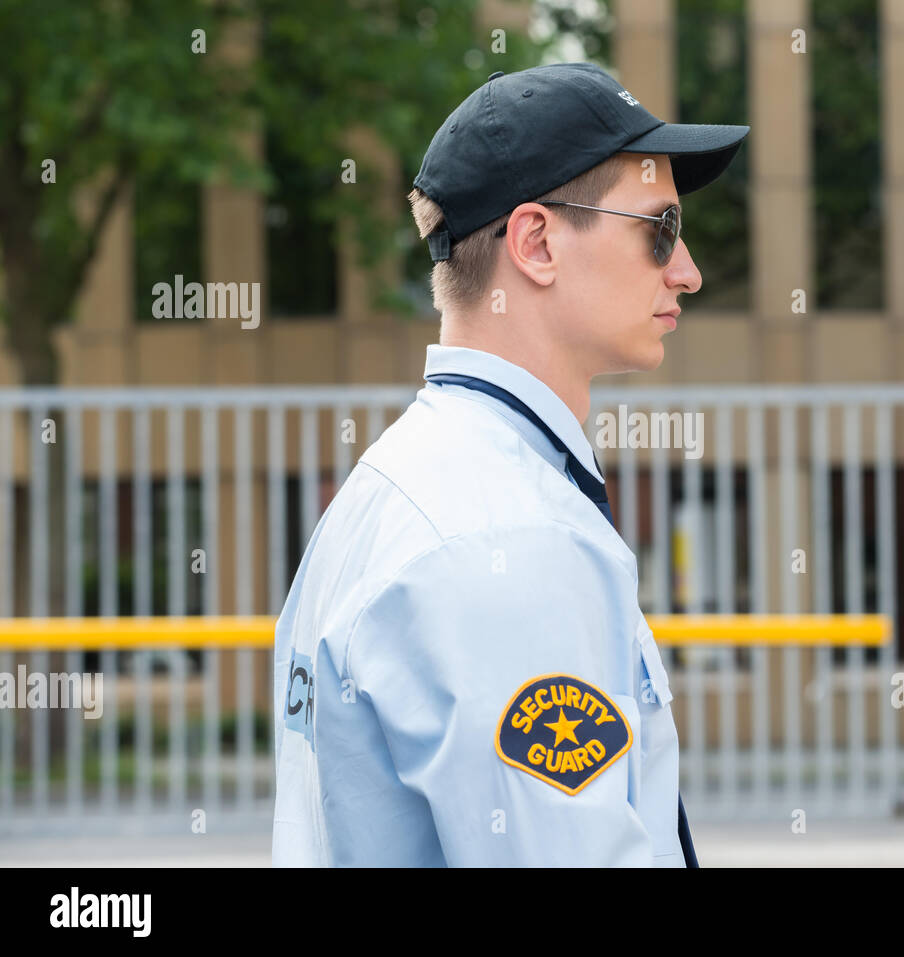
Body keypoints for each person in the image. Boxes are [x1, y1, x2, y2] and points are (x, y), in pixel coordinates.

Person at [271, 61, 748, 866]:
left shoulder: (392, 487)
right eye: (659, 228)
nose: (687, 269)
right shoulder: (510, 535)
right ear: (535, 242)